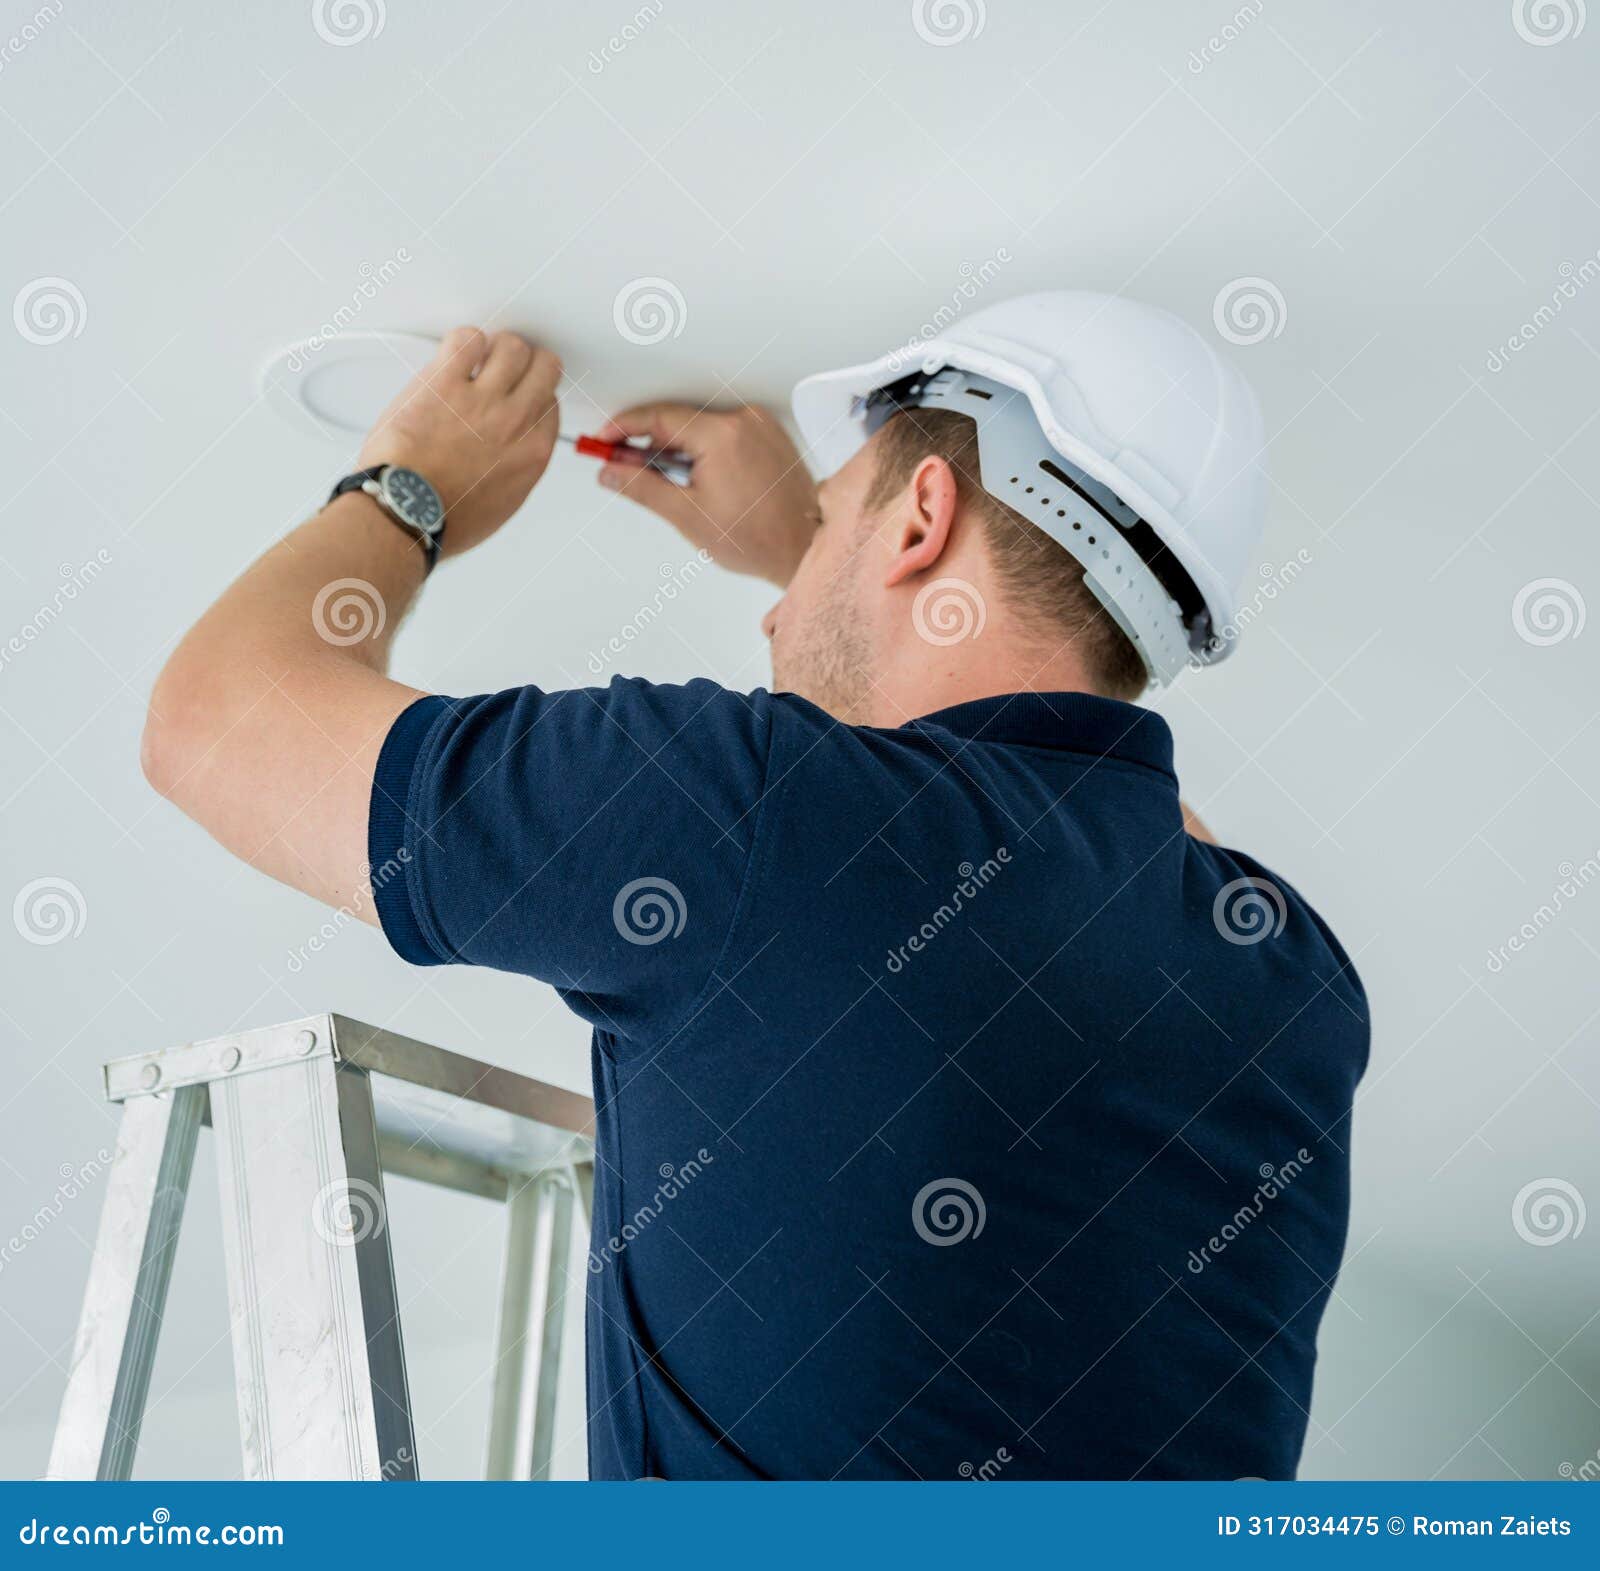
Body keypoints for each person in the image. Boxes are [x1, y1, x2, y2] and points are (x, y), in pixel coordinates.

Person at [142, 291, 1368, 1480]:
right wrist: (836, 545)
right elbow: (1101, 820)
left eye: (836, 522)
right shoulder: (1292, 978)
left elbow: (212, 722)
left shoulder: (753, 809)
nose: (778, 616)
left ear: (922, 516)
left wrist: (411, 491)